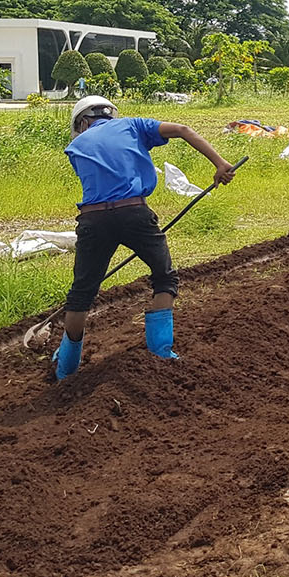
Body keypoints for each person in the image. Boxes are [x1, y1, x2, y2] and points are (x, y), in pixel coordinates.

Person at [52, 96, 235, 381]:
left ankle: (66, 367)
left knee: (82, 294)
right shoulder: (133, 126)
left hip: (92, 219)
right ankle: (161, 354)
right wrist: (220, 163)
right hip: (135, 213)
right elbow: (183, 130)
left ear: (83, 123)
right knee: (164, 277)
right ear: (110, 115)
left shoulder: (75, 146)